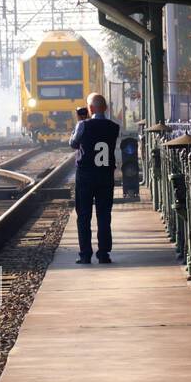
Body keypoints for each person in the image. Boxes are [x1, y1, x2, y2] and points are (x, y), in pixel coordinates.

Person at [69, 92, 120, 264]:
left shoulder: (83, 125)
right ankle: (104, 253)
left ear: (90, 108)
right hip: (105, 175)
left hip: (85, 175)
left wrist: (79, 122)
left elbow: (73, 144)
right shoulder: (114, 127)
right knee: (104, 215)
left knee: (83, 215)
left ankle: (85, 254)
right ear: (105, 108)